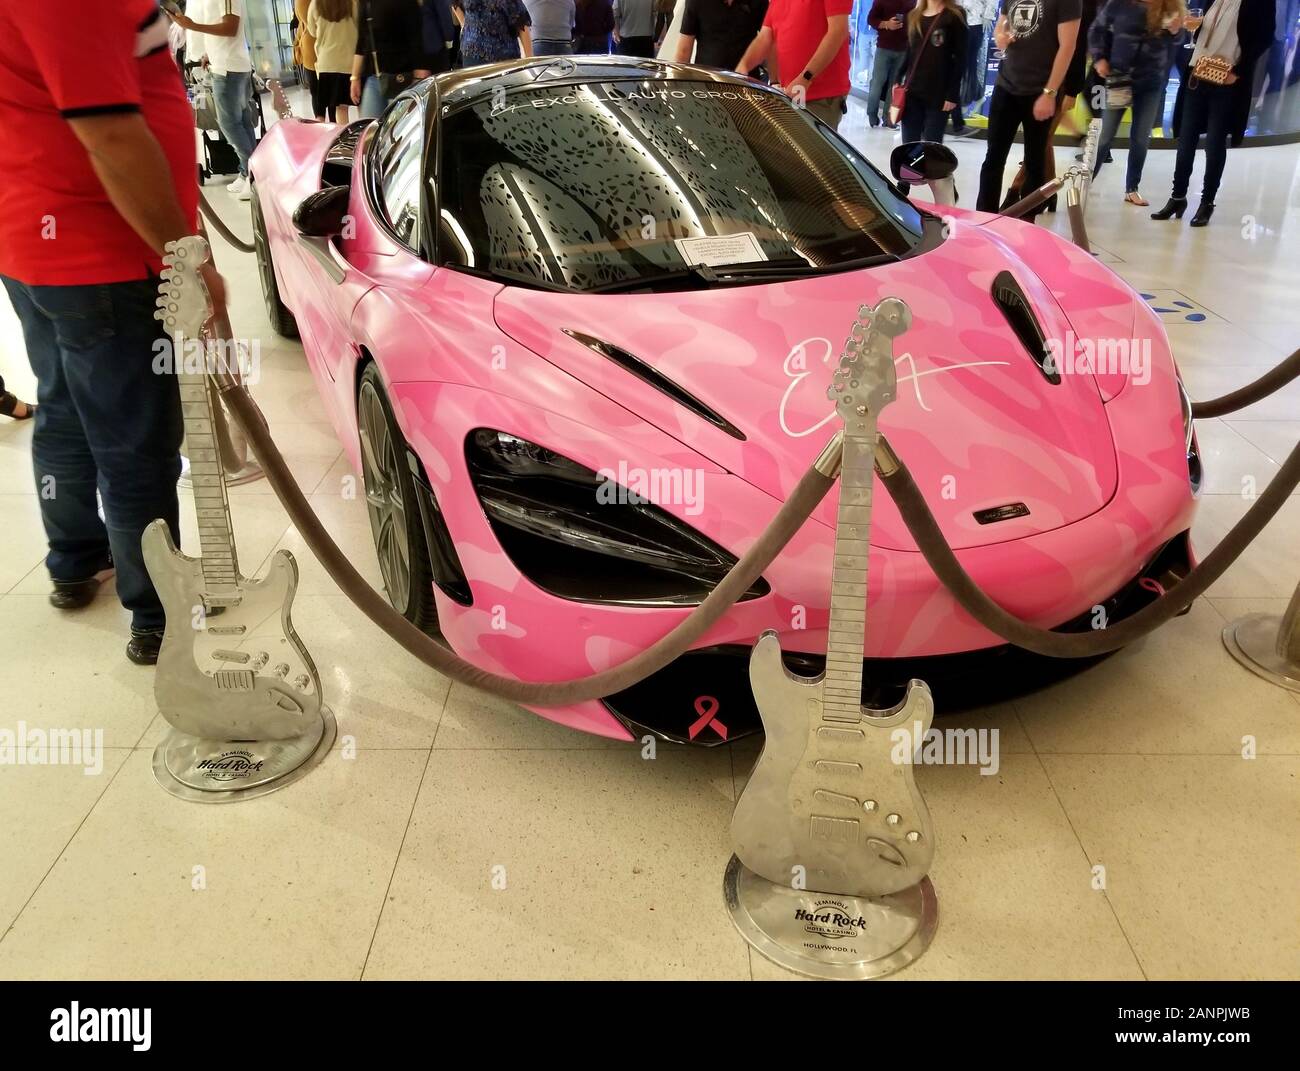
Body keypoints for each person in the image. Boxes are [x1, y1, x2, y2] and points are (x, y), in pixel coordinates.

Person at [0, 0, 225, 664]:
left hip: (38, 240)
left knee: (65, 406)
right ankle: (157, 612)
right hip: (102, 251)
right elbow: (111, 134)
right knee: (136, 445)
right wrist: (185, 257)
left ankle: (75, 560)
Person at [1152, 0, 1274, 226]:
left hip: (1226, 79)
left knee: (1215, 144)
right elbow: (1204, 29)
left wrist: (1238, 71)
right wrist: (1194, 25)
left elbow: (1265, 37)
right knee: (1185, 140)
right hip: (1197, 74)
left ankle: (1207, 203)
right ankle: (1177, 197)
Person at [975, 0, 1081, 218]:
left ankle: (1026, 221)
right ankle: (984, 219)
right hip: (1006, 85)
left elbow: (1068, 46)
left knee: (1034, 162)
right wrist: (1000, 36)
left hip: (1040, 89)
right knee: (993, 158)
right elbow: (1001, 23)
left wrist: (1049, 93)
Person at [1090, 0, 1185, 206]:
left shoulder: (1169, 6)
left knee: (1141, 137)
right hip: (1119, 78)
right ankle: (1087, 180)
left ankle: (1131, 188)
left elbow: (1176, 42)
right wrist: (1099, 59)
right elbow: (1096, 30)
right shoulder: (1119, 4)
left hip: (1151, 81)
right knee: (1106, 135)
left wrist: (1177, 32)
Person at [170, 0, 258, 201]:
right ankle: (248, 172)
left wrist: (191, 26)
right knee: (241, 121)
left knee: (229, 124)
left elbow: (230, 27)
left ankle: (251, 175)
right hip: (225, 64)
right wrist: (210, 52)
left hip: (229, 68)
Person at [735, 0, 854, 129]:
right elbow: (765, 37)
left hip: (820, 95)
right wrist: (743, 67)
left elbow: (838, 31)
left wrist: (806, 77)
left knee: (810, 147)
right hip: (790, 92)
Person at [891, 0, 967, 162]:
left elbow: (961, 58)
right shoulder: (914, 16)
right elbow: (911, 51)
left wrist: (952, 94)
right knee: (910, 148)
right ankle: (904, 185)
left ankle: (943, 185)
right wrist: (898, 77)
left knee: (933, 150)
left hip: (939, 95)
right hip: (913, 92)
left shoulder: (954, 16)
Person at [351, 0, 433, 118]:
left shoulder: (407, 3)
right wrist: (355, 77)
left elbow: (417, 39)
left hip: (404, 78)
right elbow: (362, 40)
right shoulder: (366, 2)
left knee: (403, 131)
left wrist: (419, 78)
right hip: (375, 78)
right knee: (370, 130)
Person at [675, 0, 769, 70]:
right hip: (707, 80)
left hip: (746, 81)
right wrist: (678, 83)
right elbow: (684, 49)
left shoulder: (758, 1)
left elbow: (770, 40)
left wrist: (776, 81)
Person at [308, 1, 360, 123]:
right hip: (349, 62)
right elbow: (360, 26)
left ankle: (341, 140)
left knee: (338, 108)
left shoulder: (315, 4)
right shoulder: (351, 3)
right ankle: (362, 138)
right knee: (355, 105)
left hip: (327, 63)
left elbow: (312, 30)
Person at [866, 0, 915, 128]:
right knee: (878, 82)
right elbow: (871, 19)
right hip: (884, 47)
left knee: (895, 86)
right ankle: (872, 115)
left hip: (903, 48)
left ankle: (889, 119)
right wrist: (886, 24)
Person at [458, 0, 534, 64]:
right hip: (475, 54)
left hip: (498, 57)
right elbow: (522, 23)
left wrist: (529, 61)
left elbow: (522, 23)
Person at [295, 0, 326, 119]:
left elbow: (305, 22)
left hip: (313, 46)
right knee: (322, 92)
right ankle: (326, 123)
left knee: (317, 92)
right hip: (316, 46)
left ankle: (321, 123)